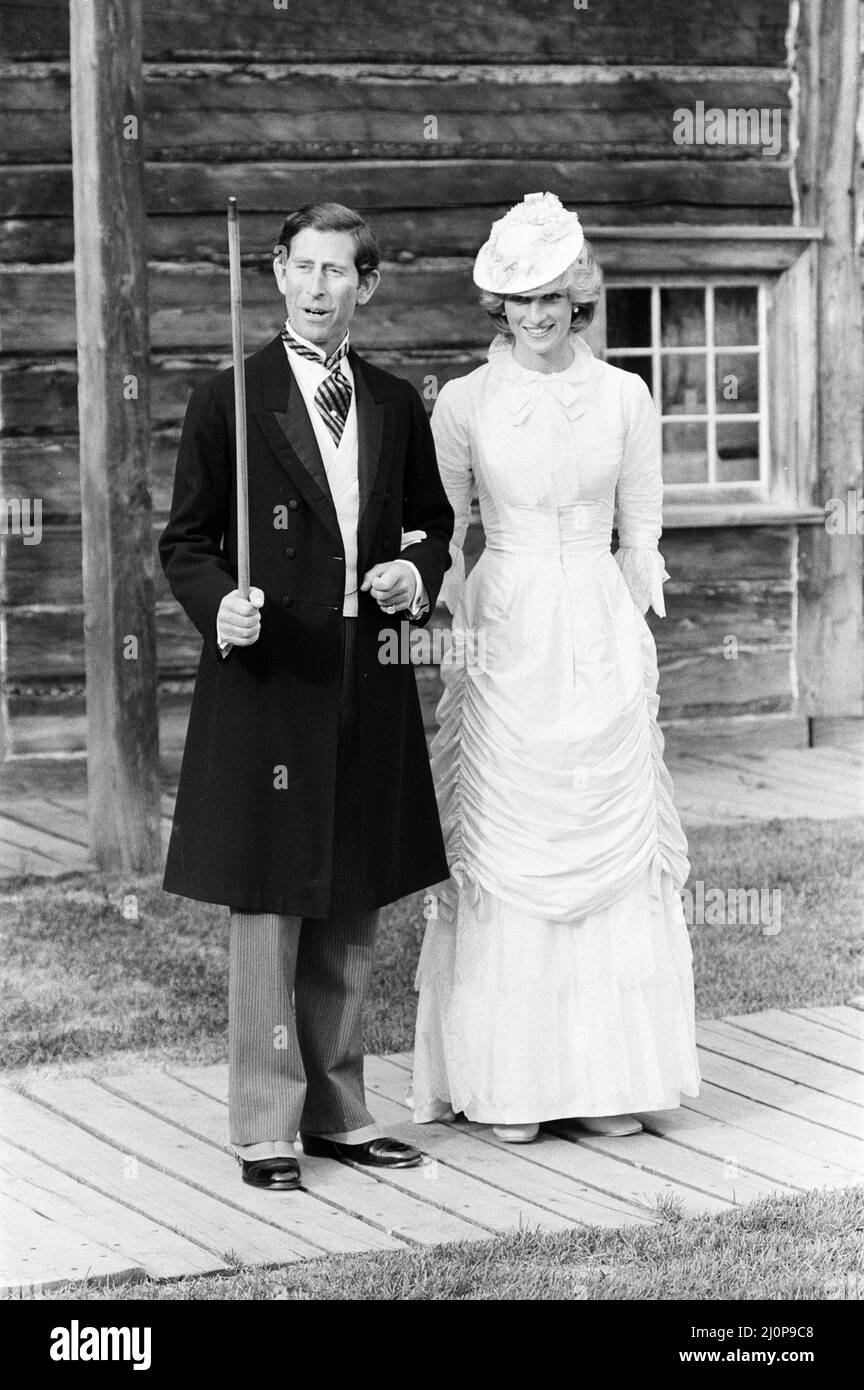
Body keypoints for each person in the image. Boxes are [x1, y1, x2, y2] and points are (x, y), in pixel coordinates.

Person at [160, 202, 454, 1189]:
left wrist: (413, 580)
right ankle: (264, 1121)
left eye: (342, 271)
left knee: (353, 891)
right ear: (277, 272)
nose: (321, 287)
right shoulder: (229, 400)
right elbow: (186, 544)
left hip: (361, 674)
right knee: (271, 900)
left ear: (366, 285)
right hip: (269, 676)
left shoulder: (393, 402)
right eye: (305, 267)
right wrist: (219, 607)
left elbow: (428, 526)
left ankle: (337, 1108)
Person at [412, 192, 700, 1143]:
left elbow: (643, 520)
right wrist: (449, 613)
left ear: (579, 296)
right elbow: (445, 528)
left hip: (597, 617)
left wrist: (633, 610)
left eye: (553, 296)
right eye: (519, 300)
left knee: (605, 832)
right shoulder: (463, 402)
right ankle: (512, 1086)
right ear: (501, 306)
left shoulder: (626, 396)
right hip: (508, 625)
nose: (538, 316)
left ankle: (610, 1080)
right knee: (510, 832)